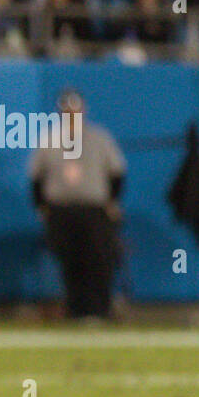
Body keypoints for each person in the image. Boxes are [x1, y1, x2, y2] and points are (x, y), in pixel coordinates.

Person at [29, 88, 126, 320]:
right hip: (61, 209)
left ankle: (99, 309)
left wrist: (112, 201)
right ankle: (75, 309)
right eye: (68, 110)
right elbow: (36, 177)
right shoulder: (50, 139)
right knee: (70, 260)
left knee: (98, 259)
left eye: (76, 110)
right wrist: (41, 205)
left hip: (94, 208)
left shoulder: (99, 138)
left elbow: (117, 173)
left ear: (83, 110)